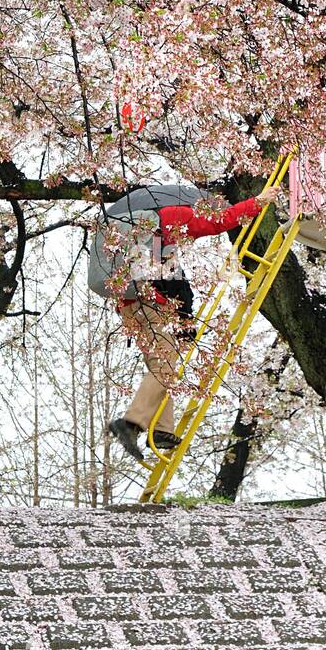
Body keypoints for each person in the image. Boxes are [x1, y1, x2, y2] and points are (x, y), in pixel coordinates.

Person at [88, 184, 279, 461]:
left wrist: (183, 319)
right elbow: (220, 222)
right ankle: (131, 423)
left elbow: (170, 278)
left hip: (129, 306)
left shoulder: (139, 229)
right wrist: (258, 201)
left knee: (160, 364)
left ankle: (161, 429)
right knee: (165, 365)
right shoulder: (173, 215)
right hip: (152, 305)